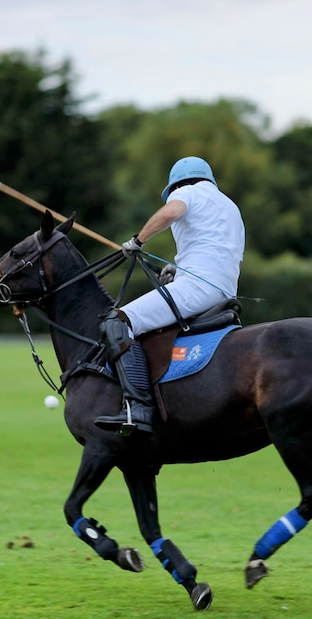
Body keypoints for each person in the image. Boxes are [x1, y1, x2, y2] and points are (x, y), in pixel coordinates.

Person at [96, 156, 246, 436]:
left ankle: (136, 408)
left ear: (176, 184)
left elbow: (170, 213)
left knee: (118, 320)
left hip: (197, 290)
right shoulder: (229, 205)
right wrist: (176, 270)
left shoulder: (185, 192)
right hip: (223, 293)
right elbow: (213, 249)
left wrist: (138, 241)